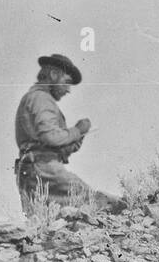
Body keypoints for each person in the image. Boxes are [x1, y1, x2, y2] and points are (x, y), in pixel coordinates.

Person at [13, 54, 125, 214]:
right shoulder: (41, 98)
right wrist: (78, 130)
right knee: (98, 203)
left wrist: (80, 135)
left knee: (47, 221)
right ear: (53, 75)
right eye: (66, 82)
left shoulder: (35, 98)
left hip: (32, 171)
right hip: (43, 169)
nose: (68, 90)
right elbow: (50, 137)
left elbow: (57, 146)